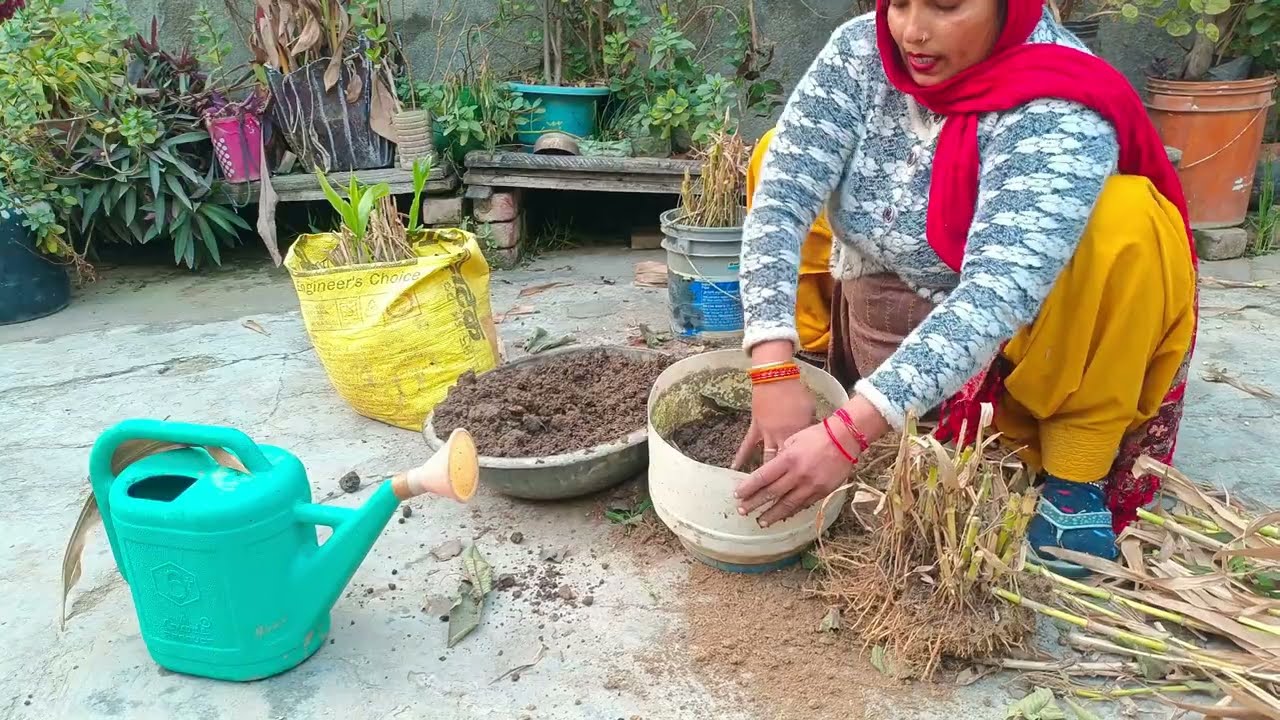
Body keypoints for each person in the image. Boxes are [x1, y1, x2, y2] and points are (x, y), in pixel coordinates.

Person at [732, 0, 1198, 577]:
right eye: (897, 2)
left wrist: (852, 429)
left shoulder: (1060, 102)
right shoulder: (862, 51)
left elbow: (996, 293)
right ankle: (815, 379)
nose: (912, 31)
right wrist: (772, 366)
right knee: (775, 152)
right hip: (876, 292)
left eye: (946, 5)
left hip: (1015, 350)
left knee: (1127, 222)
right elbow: (781, 201)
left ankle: (1075, 476)